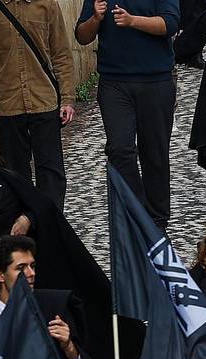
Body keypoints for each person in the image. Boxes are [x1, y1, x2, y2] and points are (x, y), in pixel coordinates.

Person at [75, 0, 180, 229]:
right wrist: (95, 19)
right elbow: (82, 36)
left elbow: (170, 24)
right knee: (119, 149)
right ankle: (137, 214)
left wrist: (133, 21)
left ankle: (158, 221)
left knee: (155, 153)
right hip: (114, 82)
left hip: (156, 79)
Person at [0, 0, 74, 202]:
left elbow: (61, 54)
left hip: (44, 100)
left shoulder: (48, 5)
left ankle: (50, 224)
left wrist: (68, 98)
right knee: (14, 173)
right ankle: (22, 224)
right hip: (7, 104)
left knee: (51, 172)